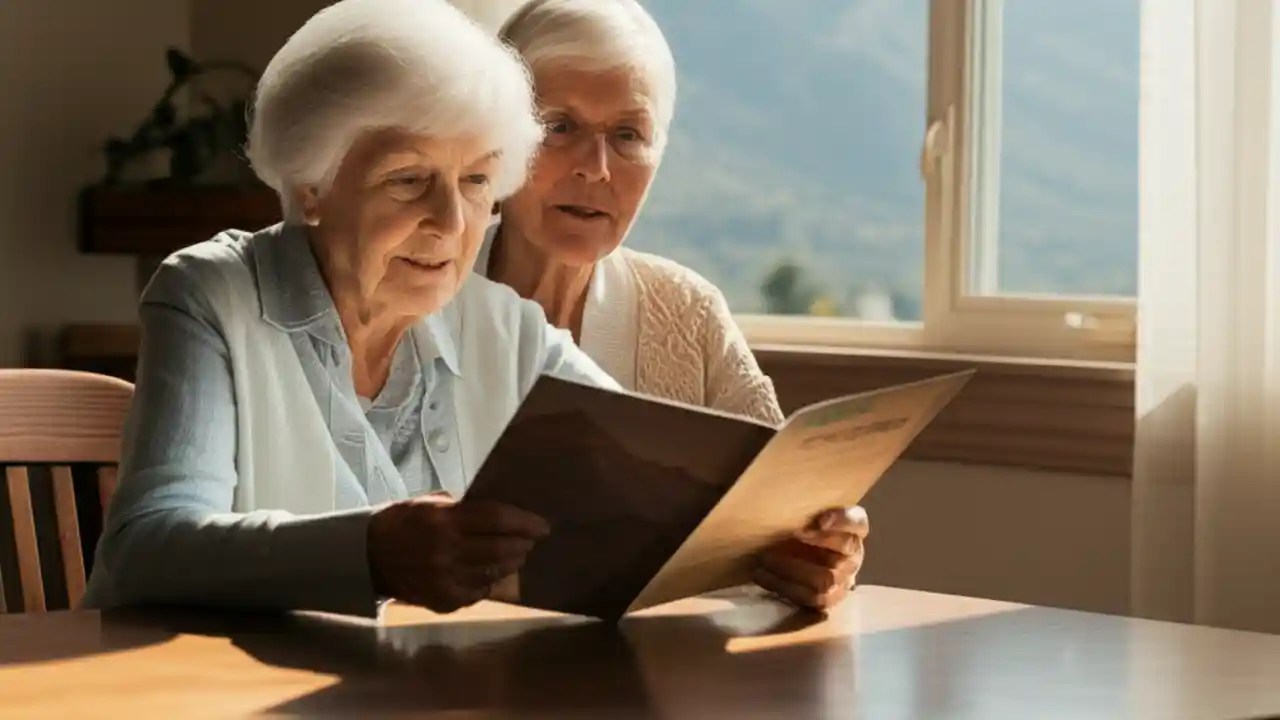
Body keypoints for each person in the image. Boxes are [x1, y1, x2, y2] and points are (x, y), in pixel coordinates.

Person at [84, 0, 866, 617]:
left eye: (475, 183)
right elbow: (147, 550)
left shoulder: (505, 327)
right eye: (406, 179)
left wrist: (790, 542)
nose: (452, 225)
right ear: (311, 182)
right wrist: (372, 551)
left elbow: (667, 489)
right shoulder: (209, 294)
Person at [481, 0, 785, 427]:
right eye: (561, 127)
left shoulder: (690, 315)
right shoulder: (419, 297)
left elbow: (781, 484)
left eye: (628, 134)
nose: (596, 167)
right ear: (497, 138)